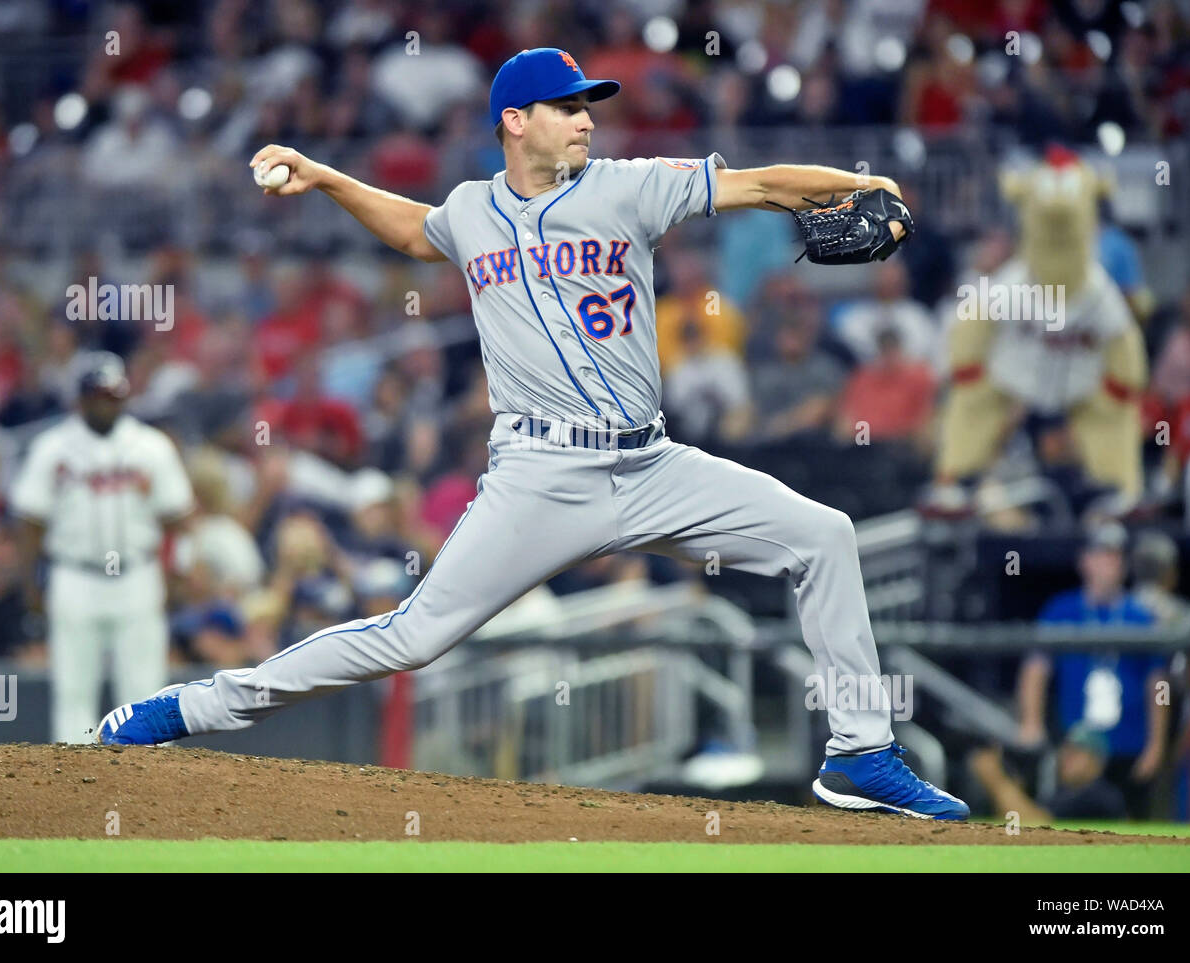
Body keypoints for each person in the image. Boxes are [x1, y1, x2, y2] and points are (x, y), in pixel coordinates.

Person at [99, 47, 968, 820]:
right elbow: (412, 230)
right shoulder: (471, 210)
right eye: (569, 106)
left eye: (588, 105)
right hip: (541, 475)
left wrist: (856, 188)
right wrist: (325, 177)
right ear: (517, 121)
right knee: (412, 636)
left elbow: (765, 183)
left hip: (651, 460)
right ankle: (191, 709)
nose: (587, 119)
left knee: (825, 535)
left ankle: (859, 753)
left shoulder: (631, 185)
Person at [11, 352, 195, 743]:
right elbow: (30, 522)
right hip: (74, 575)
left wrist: (178, 571)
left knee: (145, 690)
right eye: (98, 395)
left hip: (138, 574)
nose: (105, 403)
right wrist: (30, 585)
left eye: (113, 396)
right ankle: (75, 790)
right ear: (80, 398)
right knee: (74, 691)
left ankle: (152, 787)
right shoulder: (52, 447)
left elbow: (176, 519)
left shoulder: (151, 446)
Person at [1016, 521, 1169, 818]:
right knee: (1064, 821)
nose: (1108, 564)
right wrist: (1031, 722)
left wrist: (1156, 744)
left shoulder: (1141, 616)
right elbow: (1035, 670)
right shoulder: (1061, 610)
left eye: (1116, 557)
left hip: (1127, 744)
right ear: (1084, 561)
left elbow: (1158, 685)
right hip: (1076, 744)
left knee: (1131, 826)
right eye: (1101, 555)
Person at [967, 723, 1128, 825]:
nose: (1067, 757)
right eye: (1066, 749)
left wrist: (997, 780)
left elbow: (1034, 824)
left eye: (1077, 752)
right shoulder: (1063, 792)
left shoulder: (1099, 796)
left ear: (1097, 762)